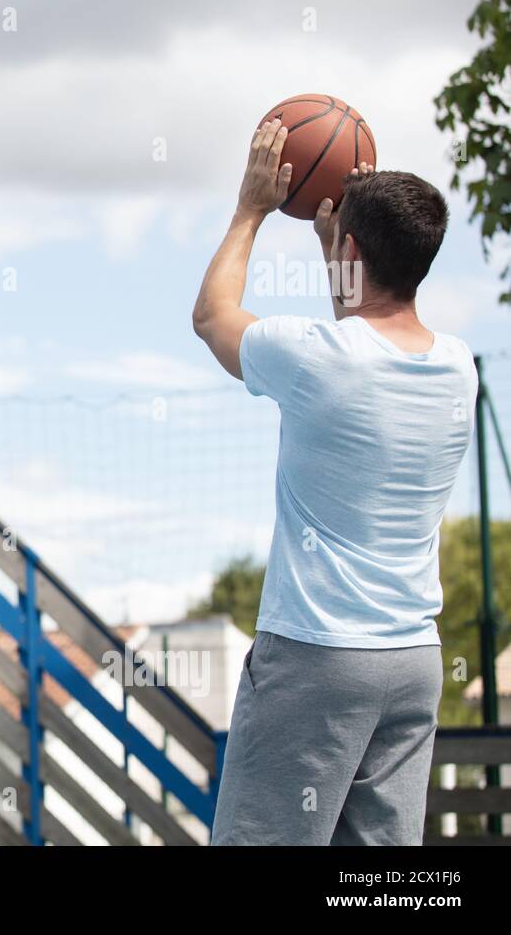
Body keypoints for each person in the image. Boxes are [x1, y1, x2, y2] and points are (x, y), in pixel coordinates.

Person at [191, 120, 476, 844]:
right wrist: (342, 259)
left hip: (317, 658)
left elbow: (212, 317)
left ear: (351, 251)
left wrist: (250, 209)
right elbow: (364, 348)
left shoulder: (317, 359)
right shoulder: (457, 368)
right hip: (411, 662)